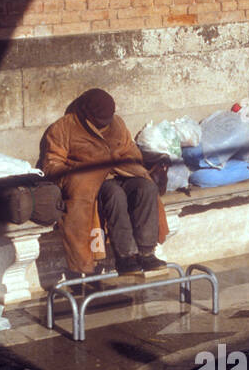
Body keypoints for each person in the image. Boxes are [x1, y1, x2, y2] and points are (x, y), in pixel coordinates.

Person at [38, 88, 169, 277]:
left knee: (146, 188)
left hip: (123, 174)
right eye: (98, 122)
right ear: (85, 112)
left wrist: (120, 161)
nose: (103, 126)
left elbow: (132, 152)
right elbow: (52, 165)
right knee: (114, 195)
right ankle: (126, 256)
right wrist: (86, 170)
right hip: (95, 183)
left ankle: (147, 252)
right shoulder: (63, 128)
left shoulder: (117, 124)